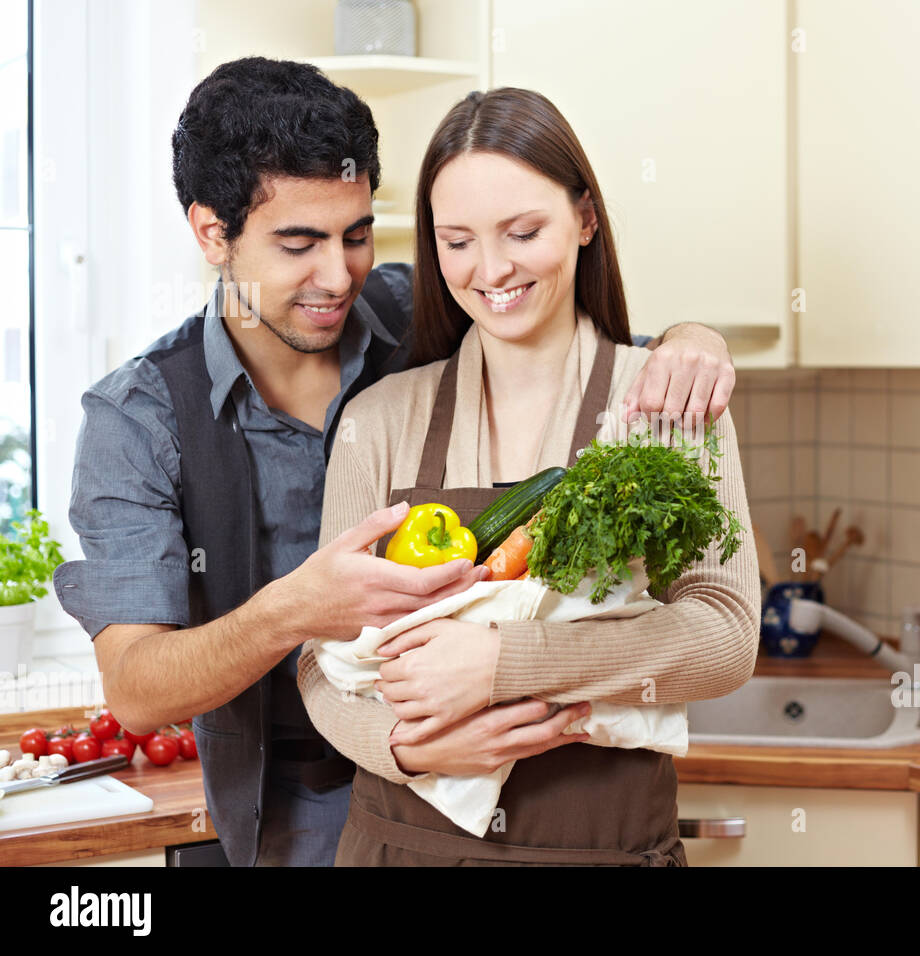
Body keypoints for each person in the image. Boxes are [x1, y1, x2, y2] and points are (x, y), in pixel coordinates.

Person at [52, 58, 738, 867]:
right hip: (299, 806)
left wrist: (695, 340)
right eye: (297, 244)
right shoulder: (141, 418)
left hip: (520, 788)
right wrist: (296, 611)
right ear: (212, 234)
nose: (337, 276)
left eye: (356, 235)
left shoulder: (419, 308)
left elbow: (572, 329)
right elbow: (136, 689)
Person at [296, 86, 761, 866]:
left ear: (585, 218)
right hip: (402, 845)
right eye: (458, 241)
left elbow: (725, 638)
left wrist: (502, 663)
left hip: (603, 850)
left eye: (523, 231)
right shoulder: (379, 419)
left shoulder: (667, 399)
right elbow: (321, 657)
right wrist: (409, 746)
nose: (492, 269)